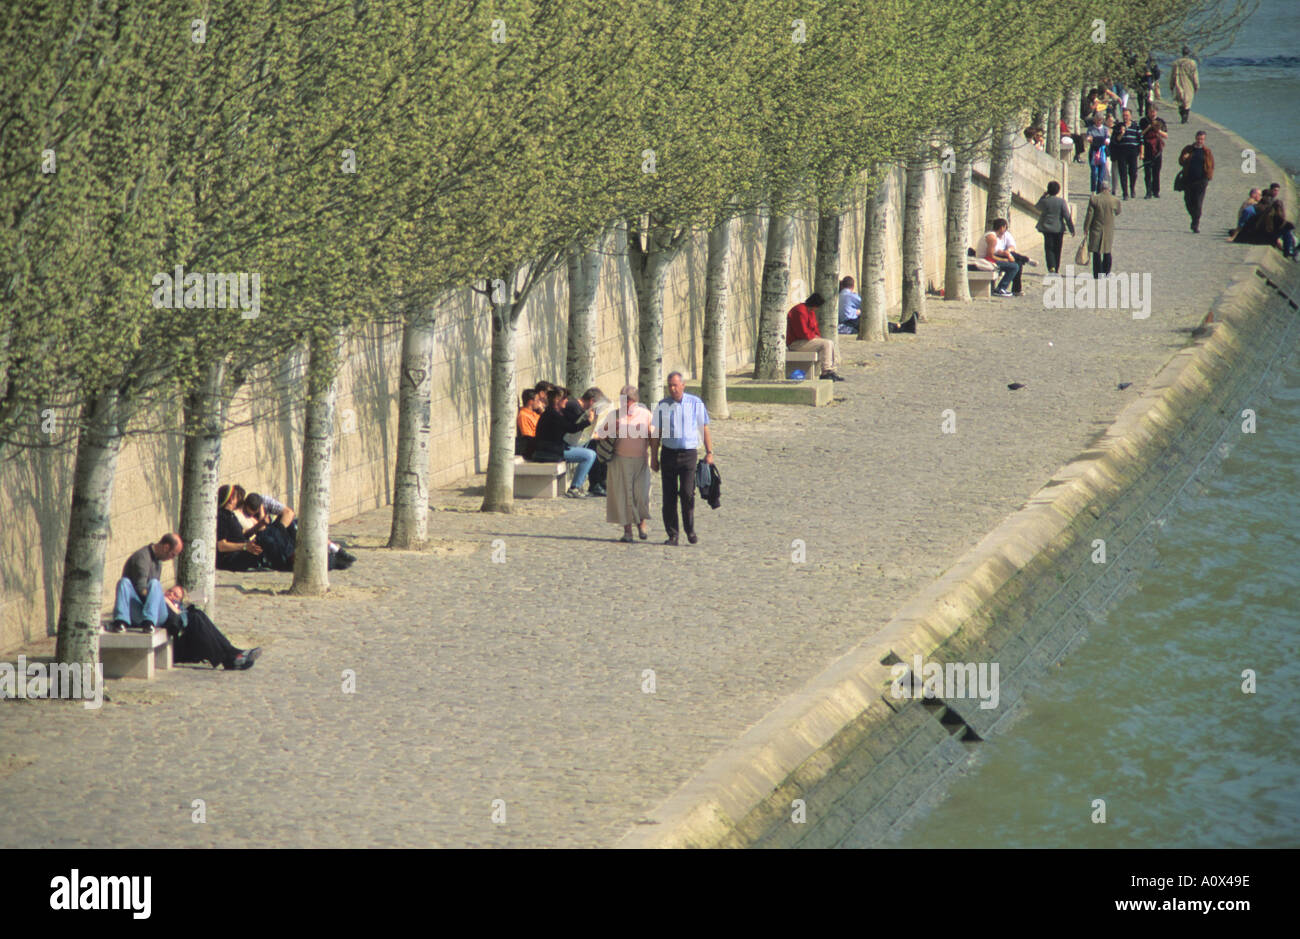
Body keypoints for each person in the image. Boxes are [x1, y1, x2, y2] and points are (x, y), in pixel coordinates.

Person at [595, 385, 653, 542]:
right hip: (619, 460)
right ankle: (627, 531)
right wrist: (608, 428)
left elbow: (653, 436)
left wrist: (654, 456)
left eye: (627, 401)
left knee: (641, 494)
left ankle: (641, 523)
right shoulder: (614, 415)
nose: (624, 404)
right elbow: (599, 434)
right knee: (623, 496)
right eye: (622, 400)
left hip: (640, 460)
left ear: (635, 400)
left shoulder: (646, 414)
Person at [161, 585, 261, 670]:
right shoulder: (162, 602)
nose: (171, 595)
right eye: (170, 591)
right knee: (194, 618)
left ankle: (233, 651)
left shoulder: (174, 605)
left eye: (175, 595)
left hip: (179, 642)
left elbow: (179, 613)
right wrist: (167, 601)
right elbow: (176, 615)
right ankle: (227, 659)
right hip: (173, 647)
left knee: (198, 613)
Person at [108, 534, 184, 633]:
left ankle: (149, 623)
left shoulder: (158, 562)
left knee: (155, 584)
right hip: (139, 610)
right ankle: (120, 622)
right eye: (173, 554)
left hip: (157, 614)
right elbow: (141, 588)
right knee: (124, 582)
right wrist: (156, 595)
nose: (171, 558)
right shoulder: (142, 558)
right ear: (166, 548)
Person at [531, 386, 596, 498]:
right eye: (564, 398)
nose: (567, 400)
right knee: (590, 455)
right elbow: (571, 428)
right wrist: (588, 421)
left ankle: (577, 486)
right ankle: (574, 487)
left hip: (556, 448)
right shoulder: (552, 415)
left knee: (586, 448)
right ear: (557, 399)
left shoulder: (557, 413)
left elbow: (570, 423)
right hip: (550, 451)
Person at [567, 387, 614, 495]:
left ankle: (600, 483)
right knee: (593, 449)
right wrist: (593, 429)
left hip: (576, 441)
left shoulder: (579, 407)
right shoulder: (574, 407)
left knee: (600, 444)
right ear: (592, 401)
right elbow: (576, 429)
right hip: (567, 444)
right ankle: (592, 484)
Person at [786, 292, 843, 381]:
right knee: (826, 343)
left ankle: (831, 370)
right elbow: (802, 332)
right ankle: (826, 371)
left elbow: (814, 328)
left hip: (806, 340)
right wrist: (814, 337)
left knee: (830, 343)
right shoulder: (799, 311)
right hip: (796, 343)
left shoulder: (810, 311)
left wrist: (817, 337)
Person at [216, 483, 263, 572]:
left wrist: (259, 527)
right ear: (231, 500)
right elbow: (221, 546)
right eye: (236, 496)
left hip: (242, 548)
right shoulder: (222, 517)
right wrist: (245, 546)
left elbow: (241, 534)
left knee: (268, 536)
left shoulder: (230, 515)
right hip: (230, 558)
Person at [1082, 182, 1122, 278]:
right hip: (1108, 229)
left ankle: (1097, 273)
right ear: (1109, 189)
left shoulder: (1094, 199)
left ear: (1100, 188)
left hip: (1096, 228)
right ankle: (1106, 272)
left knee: (1096, 251)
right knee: (1107, 251)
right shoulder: (1115, 200)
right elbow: (1118, 211)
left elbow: (1089, 215)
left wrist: (1086, 227)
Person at [1034, 182, 1075, 274]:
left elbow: (1037, 207)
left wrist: (1043, 196)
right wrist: (1071, 228)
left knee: (1048, 248)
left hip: (1047, 228)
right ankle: (1056, 267)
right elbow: (1067, 216)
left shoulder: (1045, 201)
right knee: (1057, 249)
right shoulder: (1061, 202)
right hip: (1058, 228)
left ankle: (1051, 267)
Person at [1178, 130, 1214, 234]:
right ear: (1195, 138)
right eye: (1198, 139)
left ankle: (1195, 224)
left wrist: (1208, 178)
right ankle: (1194, 217)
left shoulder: (1207, 152)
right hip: (1188, 180)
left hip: (1201, 181)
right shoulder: (1188, 149)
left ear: (1204, 140)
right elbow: (1181, 162)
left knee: (1198, 203)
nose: (1200, 141)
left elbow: (1211, 165)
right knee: (1188, 202)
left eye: (1202, 139)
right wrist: (1184, 158)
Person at [983, 218, 1021, 297]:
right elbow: (990, 256)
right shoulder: (992, 238)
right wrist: (1005, 260)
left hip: (987, 259)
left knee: (1016, 261)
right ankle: (1001, 288)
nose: (1005, 231)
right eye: (1005, 228)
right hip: (985, 261)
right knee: (1014, 266)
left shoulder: (991, 235)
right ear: (1002, 227)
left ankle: (1010, 288)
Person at [1111, 108, 1142, 200]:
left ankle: (1132, 188)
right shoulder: (1118, 126)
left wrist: (1141, 153)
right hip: (1122, 151)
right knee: (1123, 172)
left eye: (1127, 115)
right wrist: (1122, 133)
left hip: (1133, 151)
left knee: (1133, 172)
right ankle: (1125, 192)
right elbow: (1116, 140)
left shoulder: (1136, 126)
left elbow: (1141, 140)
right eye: (1124, 115)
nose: (1125, 117)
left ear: (1130, 116)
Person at [1139, 105, 1168, 198]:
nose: (1152, 113)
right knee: (1147, 172)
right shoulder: (1143, 121)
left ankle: (1156, 191)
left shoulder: (1161, 121)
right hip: (1147, 148)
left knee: (1156, 171)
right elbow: (1140, 134)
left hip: (1157, 149)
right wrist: (1149, 127)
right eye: (1151, 112)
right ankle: (1148, 191)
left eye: (1154, 112)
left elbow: (1166, 135)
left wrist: (1157, 130)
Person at [1169, 47, 1199, 124]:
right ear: (1188, 53)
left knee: (1180, 101)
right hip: (1189, 84)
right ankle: (1185, 117)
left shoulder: (1176, 63)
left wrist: (1171, 85)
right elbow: (1195, 76)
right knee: (1187, 102)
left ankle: (1183, 116)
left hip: (1178, 83)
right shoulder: (1192, 63)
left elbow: (1172, 75)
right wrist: (1196, 86)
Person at [515, 388, 543, 457]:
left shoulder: (535, 414)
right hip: (536, 446)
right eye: (537, 400)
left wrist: (542, 410)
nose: (539, 403)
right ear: (531, 402)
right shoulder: (523, 416)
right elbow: (527, 437)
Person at [1086, 113, 1109, 194]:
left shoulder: (1105, 129)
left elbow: (1107, 140)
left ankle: (1099, 190)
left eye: (1100, 120)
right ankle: (1093, 190)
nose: (1099, 122)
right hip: (1093, 152)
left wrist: (1096, 140)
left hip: (1102, 152)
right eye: (1097, 120)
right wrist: (1099, 140)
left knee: (1101, 174)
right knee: (1094, 172)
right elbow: (1089, 138)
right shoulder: (1091, 129)